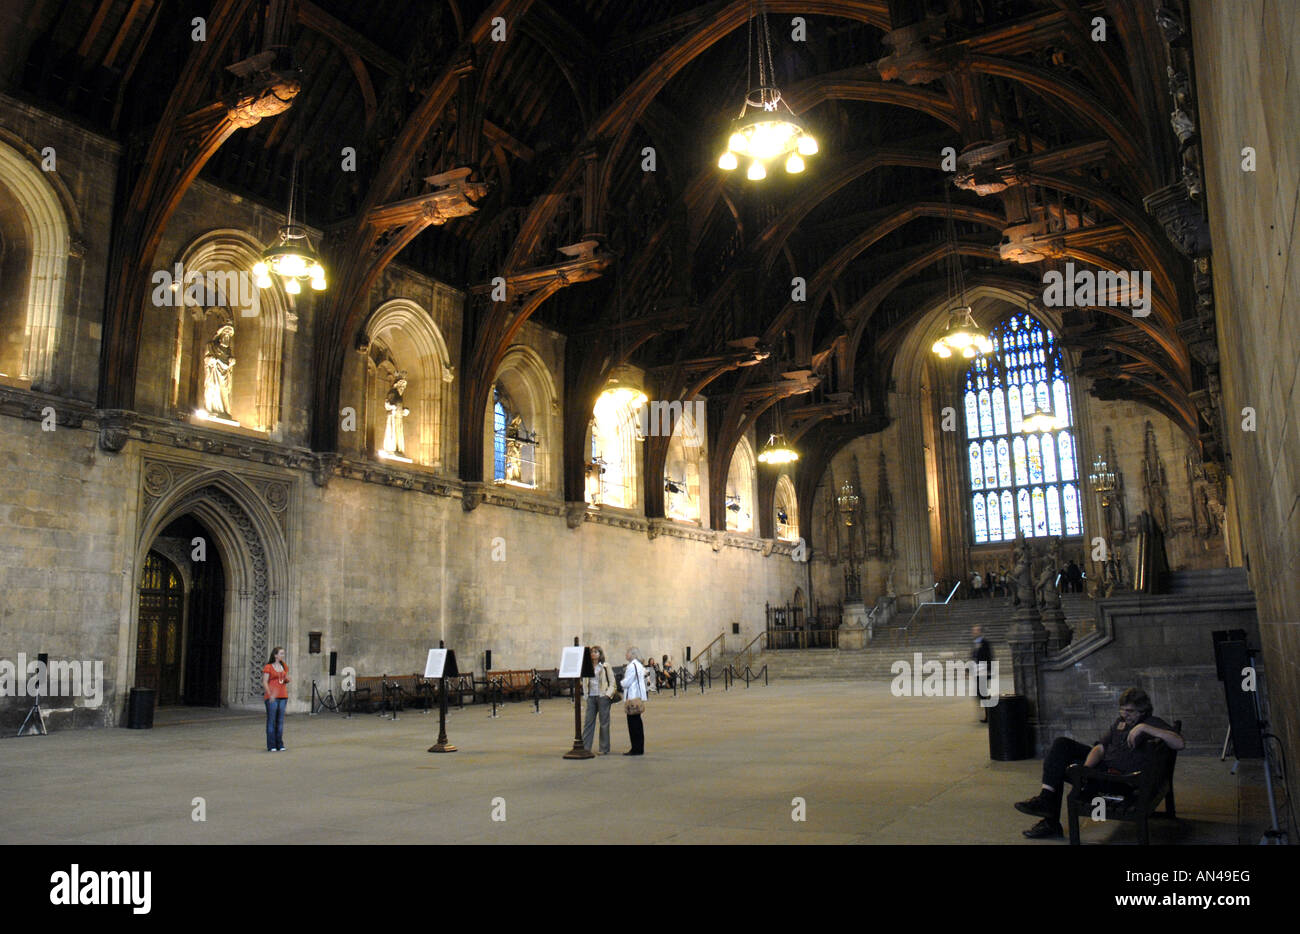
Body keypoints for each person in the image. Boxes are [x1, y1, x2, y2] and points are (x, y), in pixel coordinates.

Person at [1014, 687, 1184, 838]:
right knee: (1061, 746)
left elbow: (1179, 743)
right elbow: (1101, 748)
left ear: (1143, 710)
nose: (1125, 715)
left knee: (1057, 767)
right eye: (1123, 710)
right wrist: (1086, 770)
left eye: (1130, 711)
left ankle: (1049, 819)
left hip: (1119, 780)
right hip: (1103, 769)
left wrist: (1144, 728)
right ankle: (1046, 799)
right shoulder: (1121, 722)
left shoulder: (1151, 723)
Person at [581, 645, 617, 755]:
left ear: (600, 654)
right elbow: (585, 681)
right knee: (588, 722)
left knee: (604, 723)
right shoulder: (587, 667)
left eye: (596, 652)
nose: (593, 654)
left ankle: (604, 748)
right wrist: (585, 694)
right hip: (591, 697)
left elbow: (612, 683)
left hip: (602, 697)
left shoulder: (605, 666)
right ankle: (585, 747)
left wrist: (607, 695)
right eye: (592, 652)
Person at [261, 646, 291, 752]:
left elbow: (285, 679)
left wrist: (287, 679)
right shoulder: (268, 667)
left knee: (280, 721)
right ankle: (271, 745)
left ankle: (280, 744)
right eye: (281, 653)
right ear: (275, 655)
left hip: (283, 696)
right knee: (271, 721)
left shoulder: (284, 666)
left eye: (283, 653)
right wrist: (270, 694)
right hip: (272, 697)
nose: (283, 655)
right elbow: (265, 681)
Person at [621, 647, 648, 756]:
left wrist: (621, 683)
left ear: (632, 654)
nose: (625, 655)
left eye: (627, 653)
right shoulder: (639, 665)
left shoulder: (631, 666)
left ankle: (636, 748)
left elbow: (627, 682)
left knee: (633, 724)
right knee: (637, 723)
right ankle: (639, 747)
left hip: (632, 697)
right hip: (638, 695)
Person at [971, 625, 993, 722]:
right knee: (979, 693)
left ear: (980, 632)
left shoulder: (985, 643)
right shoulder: (975, 643)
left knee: (982, 693)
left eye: (976, 631)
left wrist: (988, 670)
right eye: (973, 631)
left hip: (983, 671)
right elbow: (973, 657)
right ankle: (987, 712)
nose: (974, 632)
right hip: (977, 671)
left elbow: (990, 656)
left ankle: (988, 715)